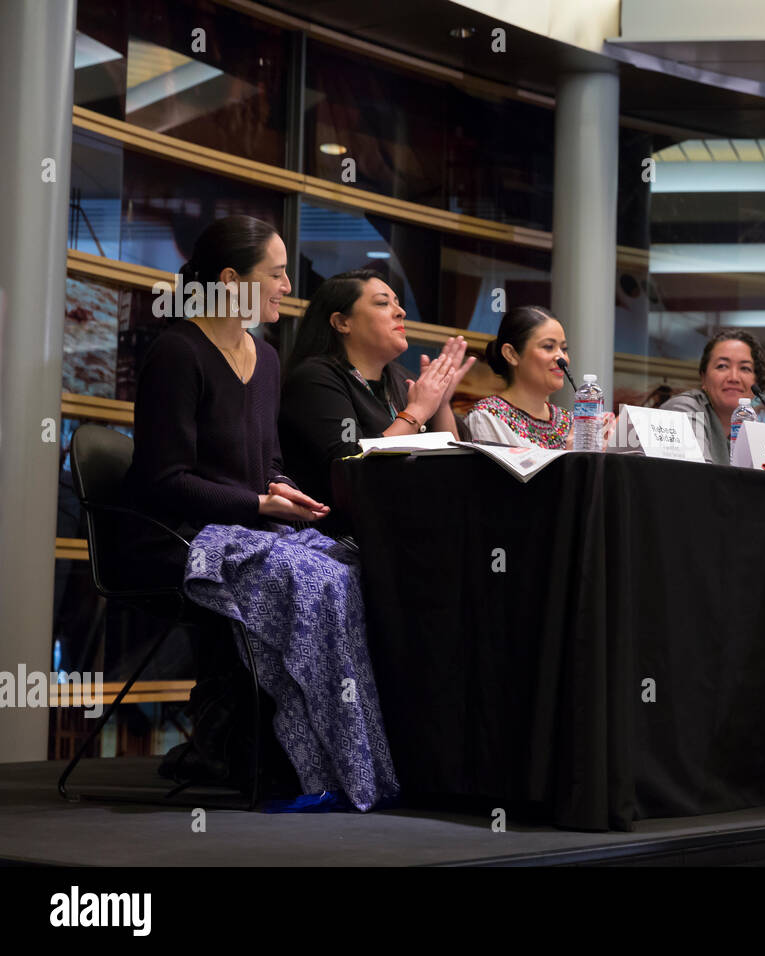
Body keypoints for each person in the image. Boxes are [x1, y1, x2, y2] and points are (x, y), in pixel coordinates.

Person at [124, 216, 397, 811]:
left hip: (246, 530)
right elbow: (164, 481)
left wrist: (284, 492)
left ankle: (340, 760)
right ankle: (300, 763)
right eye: (276, 274)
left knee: (350, 565)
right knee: (315, 578)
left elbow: (267, 464)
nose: (287, 287)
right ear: (231, 280)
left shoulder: (267, 358)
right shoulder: (177, 352)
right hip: (182, 538)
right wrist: (257, 503)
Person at [280, 269, 475, 521]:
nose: (400, 311)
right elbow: (350, 467)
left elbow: (458, 472)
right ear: (342, 322)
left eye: (397, 302)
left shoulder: (402, 379)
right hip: (339, 532)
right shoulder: (315, 377)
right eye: (383, 303)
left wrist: (442, 403)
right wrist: (416, 412)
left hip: (407, 524)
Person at [463, 305, 577, 448]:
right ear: (511, 354)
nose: (562, 358)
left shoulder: (571, 422)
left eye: (564, 349)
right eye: (548, 346)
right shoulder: (487, 418)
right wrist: (569, 454)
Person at [660, 329, 765, 465]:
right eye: (722, 366)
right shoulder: (683, 409)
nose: (734, 378)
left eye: (745, 368)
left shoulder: (753, 425)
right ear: (704, 378)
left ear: (756, 381)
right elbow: (698, 474)